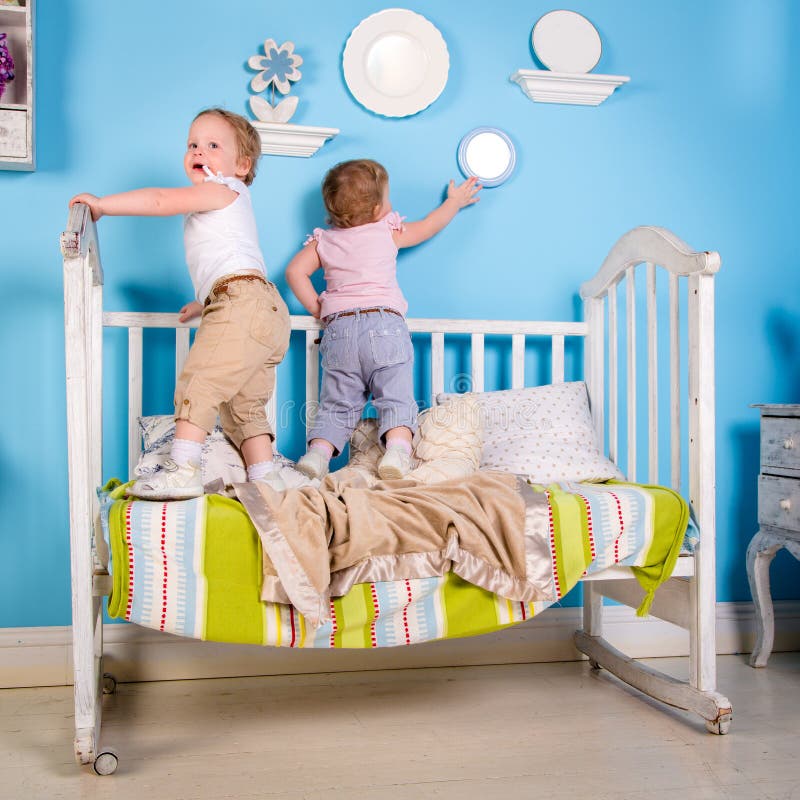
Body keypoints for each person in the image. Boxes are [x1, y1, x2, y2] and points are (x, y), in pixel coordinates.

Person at [70, 108, 290, 499]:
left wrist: (103, 205)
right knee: (244, 407)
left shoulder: (223, 188)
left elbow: (158, 200)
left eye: (212, 145)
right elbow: (237, 262)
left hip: (243, 302)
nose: (198, 151)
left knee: (199, 381)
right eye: (192, 144)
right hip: (262, 308)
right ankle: (266, 479)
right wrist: (205, 303)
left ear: (242, 165)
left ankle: (184, 468)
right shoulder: (230, 202)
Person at [286, 159, 481, 480]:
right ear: (378, 208)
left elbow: (295, 272)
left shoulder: (325, 241)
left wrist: (320, 310)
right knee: (396, 397)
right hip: (384, 327)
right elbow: (430, 225)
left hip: (339, 331)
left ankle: (317, 455)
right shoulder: (387, 231)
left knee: (337, 404)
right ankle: (397, 452)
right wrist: (454, 201)